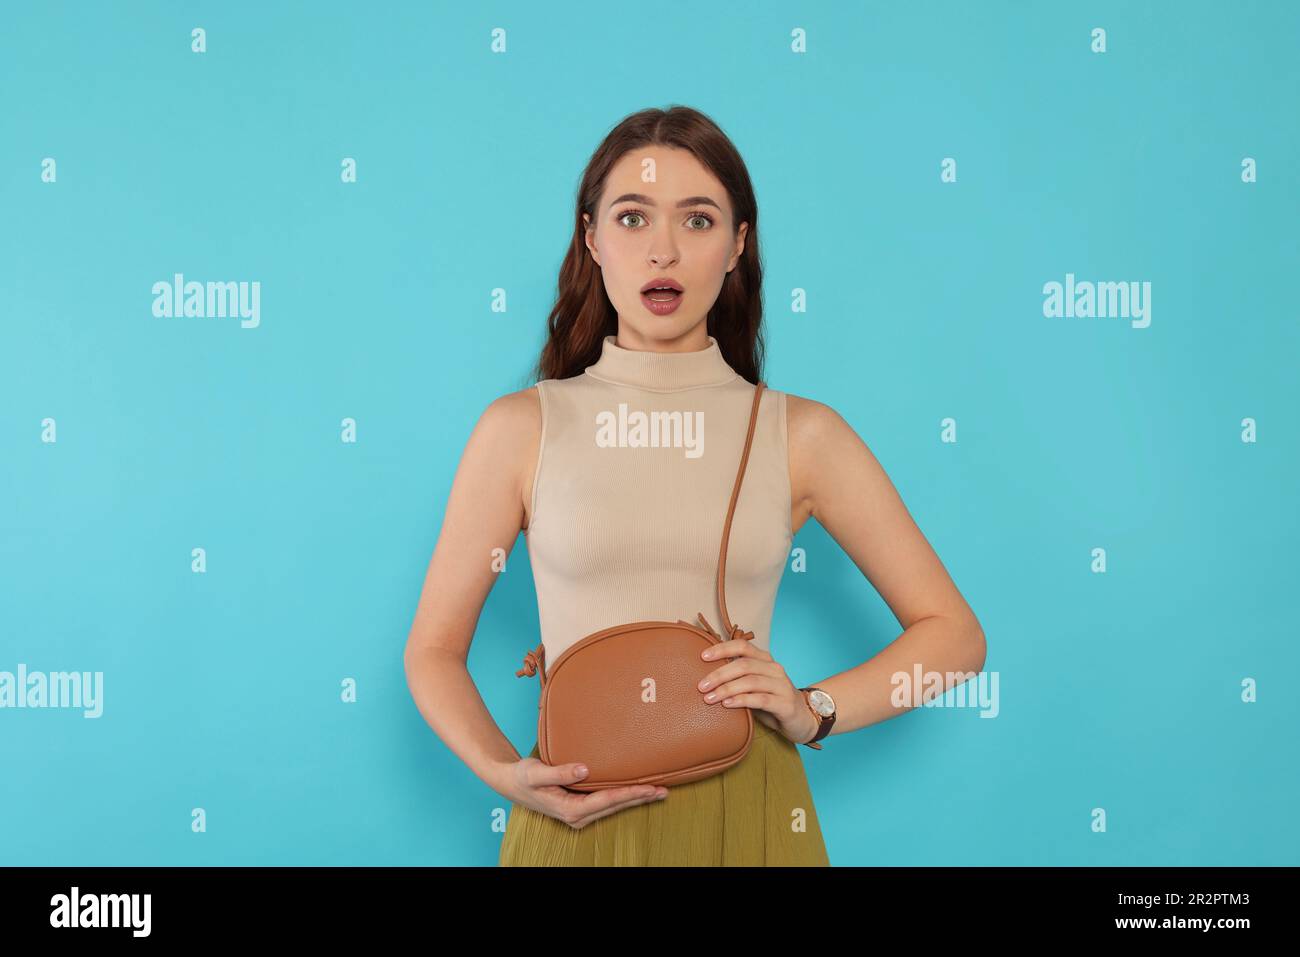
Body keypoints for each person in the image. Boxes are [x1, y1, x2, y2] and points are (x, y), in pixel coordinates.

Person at [403, 105, 987, 866]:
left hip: (749, 809)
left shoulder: (801, 434)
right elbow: (433, 649)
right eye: (634, 217)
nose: (664, 251)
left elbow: (955, 635)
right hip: (577, 817)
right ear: (592, 238)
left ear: (738, 244)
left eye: (699, 220)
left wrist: (815, 709)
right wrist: (505, 772)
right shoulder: (522, 427)